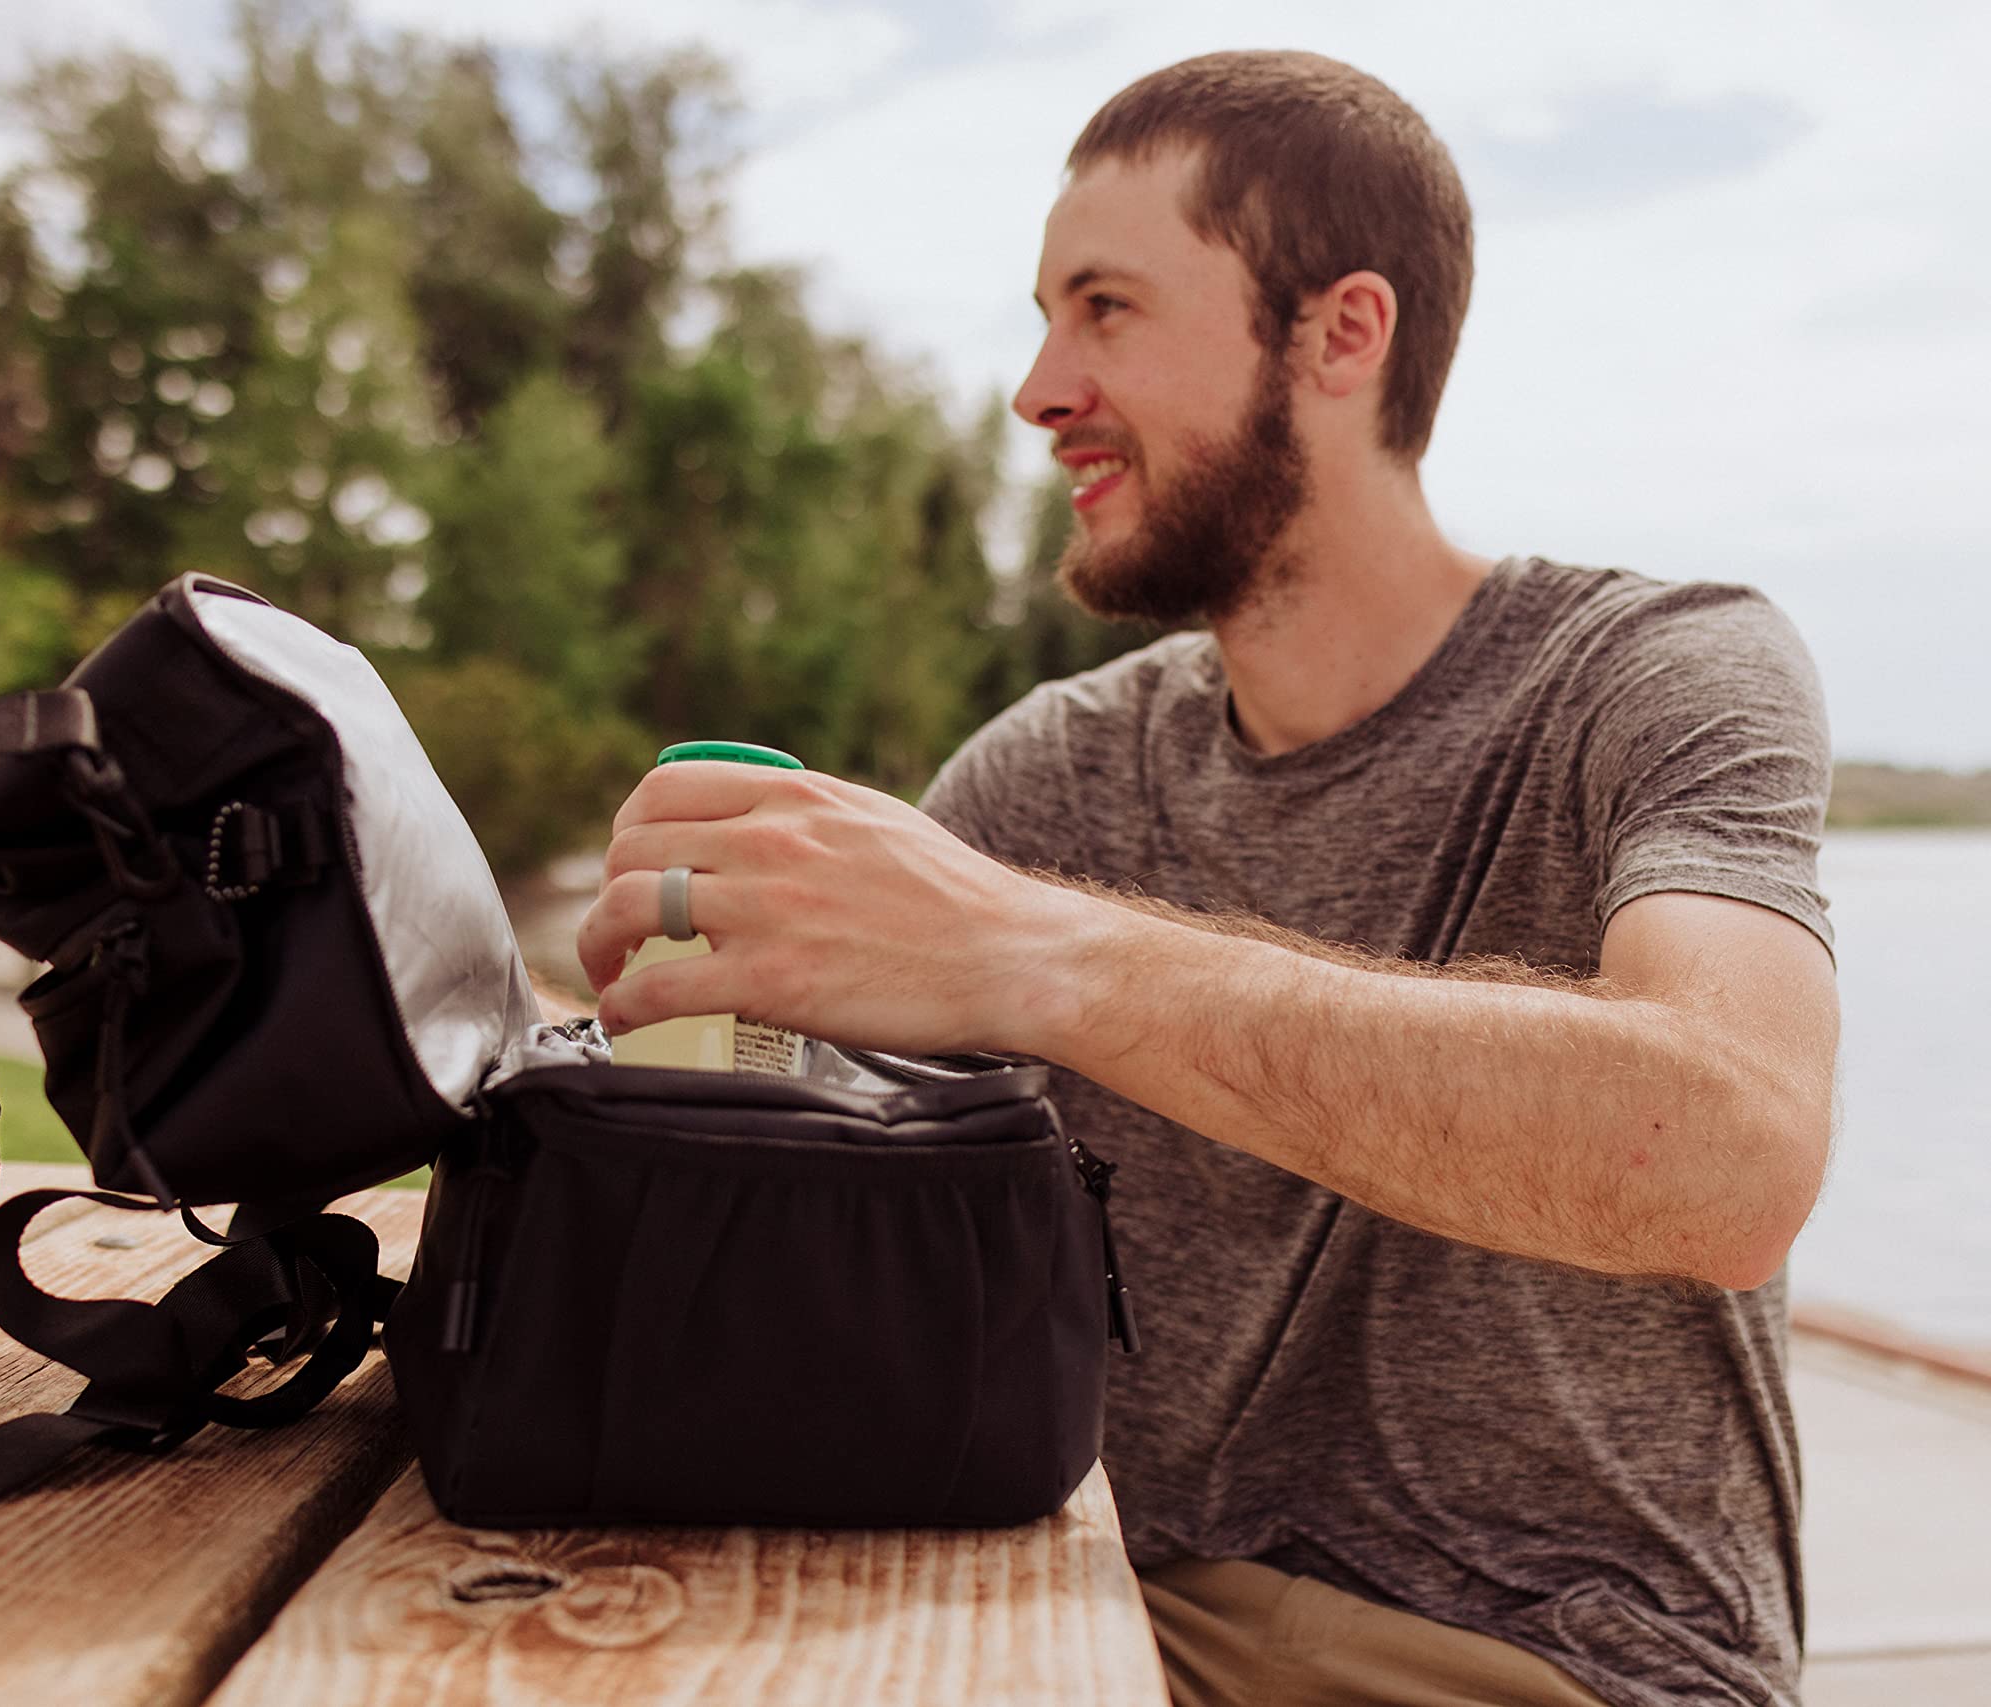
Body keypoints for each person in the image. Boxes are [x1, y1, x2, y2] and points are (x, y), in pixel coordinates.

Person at [575, 49, 1838, 1707]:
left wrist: (1040, 961)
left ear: (1341, 335)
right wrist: (664, 1045)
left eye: (1106, 309)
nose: (1037, 389)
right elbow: (815, 1207)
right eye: (1043, 315)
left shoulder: (1654, 673)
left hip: (1550, 1658)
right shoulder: (1049, 771)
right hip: (1095, 1608)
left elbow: (1731, 1158)